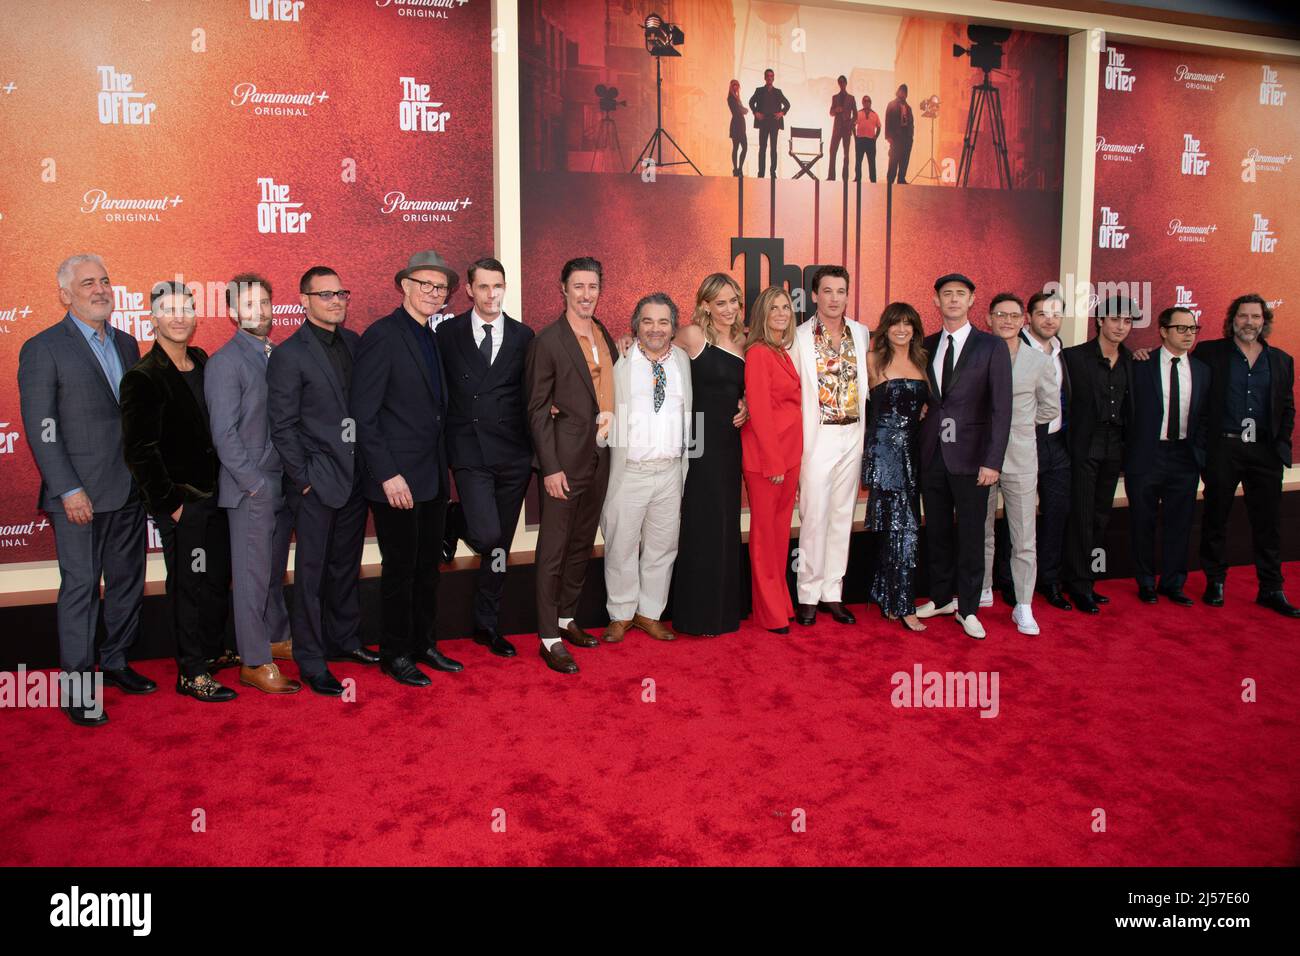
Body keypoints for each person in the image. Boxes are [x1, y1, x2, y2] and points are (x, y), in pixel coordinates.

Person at [18, 254, 148, 725]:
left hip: (129, 490)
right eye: (88, 283)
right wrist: (68, 488)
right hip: (79, 497)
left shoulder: (129, 344)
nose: (100, 289)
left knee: (127, 583)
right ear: (65, 294)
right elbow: (41, 427)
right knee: (80, 588)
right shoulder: (44, 348)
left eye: (106, 281)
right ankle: (77, 686)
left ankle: (115, 663)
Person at [121, 281, 235, 702]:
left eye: (185, 308)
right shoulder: (143, 377)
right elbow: (139, 450)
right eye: (168, 310)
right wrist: (171, 505)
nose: (178, 317)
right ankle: (191, 672)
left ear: (195, 316)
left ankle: (211, 651)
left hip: (219, 496)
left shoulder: (202, 361)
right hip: (184, 504)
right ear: (152, 319)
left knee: (216, 579)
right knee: (188, 584)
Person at [267, 266, 374, 697]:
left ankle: (345, 640)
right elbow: (283, 426)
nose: (336, 301)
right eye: (325, 294)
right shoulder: (290, 355)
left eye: (341, 293)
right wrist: (305, 479)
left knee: (345, 567)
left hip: (355, 479)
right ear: (304, 300)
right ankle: (310, 659)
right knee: (310, 575)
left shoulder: (355, 343)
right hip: (316, 483)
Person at [353, 251, 455, 687]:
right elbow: (363, 413)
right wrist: (387, 473)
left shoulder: (431, 335)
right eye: (425, 285)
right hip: (396, 480)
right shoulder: (382, 335)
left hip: (431, 477)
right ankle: (394, 653)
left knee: (427, 567)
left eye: (440, 288)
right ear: (405, 286)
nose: (433, 293)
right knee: (399, 571)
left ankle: (422, 643)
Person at [204, 273, 299, 694]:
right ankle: (254, 662)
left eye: (264, 302)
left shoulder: (273, 353)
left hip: (280, 483)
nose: (258, 311)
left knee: (273, 573)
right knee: (251, 578)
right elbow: (222, 433)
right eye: (248, 305)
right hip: (251, 490)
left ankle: (275, 638)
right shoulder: (226, 361)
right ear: (231, 312)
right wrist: (253, 484)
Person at [436, 257, 535, 658]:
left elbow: (532, 393)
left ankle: (487, 623)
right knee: (488, 535)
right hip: (469, 451)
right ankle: (456, 516)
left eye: (498, 286)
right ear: (470, 291)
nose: (492, 294)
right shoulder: (448, 334)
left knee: (499, 550)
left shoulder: (524, 336)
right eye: (484, 287)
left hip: (512, 454)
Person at [525, 256, 619, 674]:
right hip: (563, 462)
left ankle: (566, 618)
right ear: (562, 288)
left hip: (600, 457)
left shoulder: (604, 335)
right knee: (553, 550)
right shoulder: (547, 342)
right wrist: (550, 467)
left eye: (593, 286)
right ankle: (548, 636)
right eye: (578, 286)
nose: (586, 294)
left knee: (582, 543)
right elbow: (537, 410)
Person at [915, 274, 1012, 640]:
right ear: (936, 301)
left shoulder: (991, 347)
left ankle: (968, 607)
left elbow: (1003, 409)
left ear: (972, 301)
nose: (953, 300)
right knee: (937, 531)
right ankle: (941, 597)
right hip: (933, 454)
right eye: (946, 294)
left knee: (972, 534)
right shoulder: (925, 346)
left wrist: (993, 461)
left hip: (974, 459)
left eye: (960, 294)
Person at [1195, 294, 1297, 616]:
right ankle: (1215, 581)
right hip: (1224, 447)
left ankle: (1271, 587)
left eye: (1255, 317)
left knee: (1267, 523)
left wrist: (1279, 441)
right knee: (1216, 516)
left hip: (1264, 451)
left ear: (1264, 321)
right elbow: (1183, 375)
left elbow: (1287, 408)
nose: (1249, 322)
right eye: (1243, 316)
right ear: (1232, 320)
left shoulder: (1281, 360)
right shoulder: (1210, 352)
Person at [599, 294, 692, 643]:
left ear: (673, 326)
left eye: (664, 322)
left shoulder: (683, 361)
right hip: (629, 472)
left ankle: (649, 613)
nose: (656, 329)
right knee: (620, 545)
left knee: (662, 547)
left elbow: (692, 414)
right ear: (635, 325)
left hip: (670, 472)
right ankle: (620, 614)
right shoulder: (619, 359)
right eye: (648, 321)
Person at [671, 274, 749, 637]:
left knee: (724, 522)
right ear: (705, 305)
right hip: (698, 441)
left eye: (734, 301)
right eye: (721, 302)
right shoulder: (691, 336)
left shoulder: (745, 341)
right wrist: (627, 341)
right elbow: (653, 354)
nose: (730, 309)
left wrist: (747, 405)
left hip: (730, 442)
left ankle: (722, 613)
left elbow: (751, 388)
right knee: (700, 522)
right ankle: (694, 615)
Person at [792, 266, 870, 627]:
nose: (835, 298)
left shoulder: (862, 333)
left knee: (842, 516)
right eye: (827, 291)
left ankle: (832, 593)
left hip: (853, 434)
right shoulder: (798, 337)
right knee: (813, 516)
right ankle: (807, 593)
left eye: (841, 291)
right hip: (817, 437)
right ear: (814, 295)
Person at [981, 293, 1059, 636]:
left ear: (1023, 320)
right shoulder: (977, 354)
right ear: (989, 318)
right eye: (1001, 315)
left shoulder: (1038, 361)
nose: (1007, 321)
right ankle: (982, 588)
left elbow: (1049, 409)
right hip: (982, 457)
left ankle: (1023, 604)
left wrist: (1020, 426)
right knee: (980, 528)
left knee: (1024, 535)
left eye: (1014, 316)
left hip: (1022, 458)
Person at [1123, 306, 1208, 607]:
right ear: (1163, 330)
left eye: (1193, 329)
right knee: (1142, 522)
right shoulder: (1140, 364)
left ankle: (1173, 583)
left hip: (1184, 457)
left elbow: (1205, 417)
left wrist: (1198, 454)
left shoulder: (1201, 370)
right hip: (1147, 455)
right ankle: (1146, 582)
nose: (1188, 335)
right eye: (1181, 328)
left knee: (1180, 523)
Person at [1059, 295, 1137, 614]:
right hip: (1083, 445)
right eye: (1115, 319)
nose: (1121, 326)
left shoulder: (1133, 360)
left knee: (1101, 515)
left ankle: (1090, 578)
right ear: (1100, 321)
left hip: (1116, 445)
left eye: (1128, 321)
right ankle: (1077, 584)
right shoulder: (1073, 357)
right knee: (1082, 515)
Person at [861, 303, 929, 631]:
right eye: (895, 324)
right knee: (904, 529)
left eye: (908, 324)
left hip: (914, 455)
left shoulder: (922, 361)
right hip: (885, 455)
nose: (901, 330)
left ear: (915, 328)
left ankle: (887, 595)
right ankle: (903, 605)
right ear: (885, 329)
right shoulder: (872, 360)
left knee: (898, 529)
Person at [741, 286, 802, 633]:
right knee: (765, 536)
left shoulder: (781, 352)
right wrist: (774, 461)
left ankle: (780, 601)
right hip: (768, 461)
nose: (781, 313)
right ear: (762, 315)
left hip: (790, 456)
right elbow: (760, 411)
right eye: (774, 308)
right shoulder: (759, 353)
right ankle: (769, 612)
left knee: (780, 534)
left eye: (785, 307)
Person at [1020, 290, 1073, 610]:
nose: (1049, 319)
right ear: (1030, 317)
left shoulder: (1064, 353)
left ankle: (1049, 581)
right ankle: (1012, 583)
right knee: (1020, 519)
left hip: (1058, 446)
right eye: (1042, 313)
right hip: (1024, 444)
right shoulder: (1012, 348)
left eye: (1055, 314)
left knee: (1057, 515)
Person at [748, 68, 791, 180]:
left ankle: (773, 172)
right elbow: (751, 102)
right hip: (763, 122)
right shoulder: (759, 90)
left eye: (771, 76)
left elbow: (787, 104)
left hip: (774, 123)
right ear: (765, 78)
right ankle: (761, 173)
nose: (769, 78)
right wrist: (755, 112)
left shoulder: (778, 92)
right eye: (768, 76)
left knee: (773, 148)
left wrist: (781, 113)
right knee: (762, 148)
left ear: (773, 78)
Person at [827, 75, 856, 182]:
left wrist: (851, 123)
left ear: (846, 83)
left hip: (847, 129)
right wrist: (836, 110)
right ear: (838, 84)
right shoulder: (835, 97)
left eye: (843, 82)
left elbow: (856, 115)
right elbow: (831, 112)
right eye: (840, 82)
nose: (841, 84)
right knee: (832, 151)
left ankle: (845, 178)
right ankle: (831, 176)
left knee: (846, 154)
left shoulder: (851, 98)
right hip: (837, 128)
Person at [884, 84, 914, 185]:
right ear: (898, 92)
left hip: (907, 137)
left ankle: (901, 178)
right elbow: (887, 120)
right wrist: (888, 136)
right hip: (896, 137)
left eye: (905, 92)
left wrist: (911, 137)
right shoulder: (892, 104)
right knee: (893, 160)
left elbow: (911, 122)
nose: (903, 93)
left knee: (904, 160)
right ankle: (890, 180)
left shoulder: (908, 107)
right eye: (901, 91)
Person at [854, 94, 881, 183]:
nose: (867, 103)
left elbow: (879, 127)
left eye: (868, 101)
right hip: (860, 140)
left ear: (870, 103)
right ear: (862, 103)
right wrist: (855, 137)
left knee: (872, 162)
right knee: (858, 161)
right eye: (865, 101)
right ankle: (858, 178)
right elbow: (853, 125)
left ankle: (873, 180)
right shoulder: (858, 113)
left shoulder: (875, 114)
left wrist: (875, 137)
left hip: (870, 141)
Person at [727, 79, 749, 177]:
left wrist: (744, 110)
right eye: (734, 85)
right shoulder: (731, 98)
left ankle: (739, 168)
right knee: (736, 147)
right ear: (731, 86)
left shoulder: (737, 98)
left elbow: (741, 110)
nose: (736, 86)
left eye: (737, 85)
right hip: (736, 124)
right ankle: (736, 169)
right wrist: (744, 110)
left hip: (740, 124)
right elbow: (737, 111)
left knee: (744, 147)